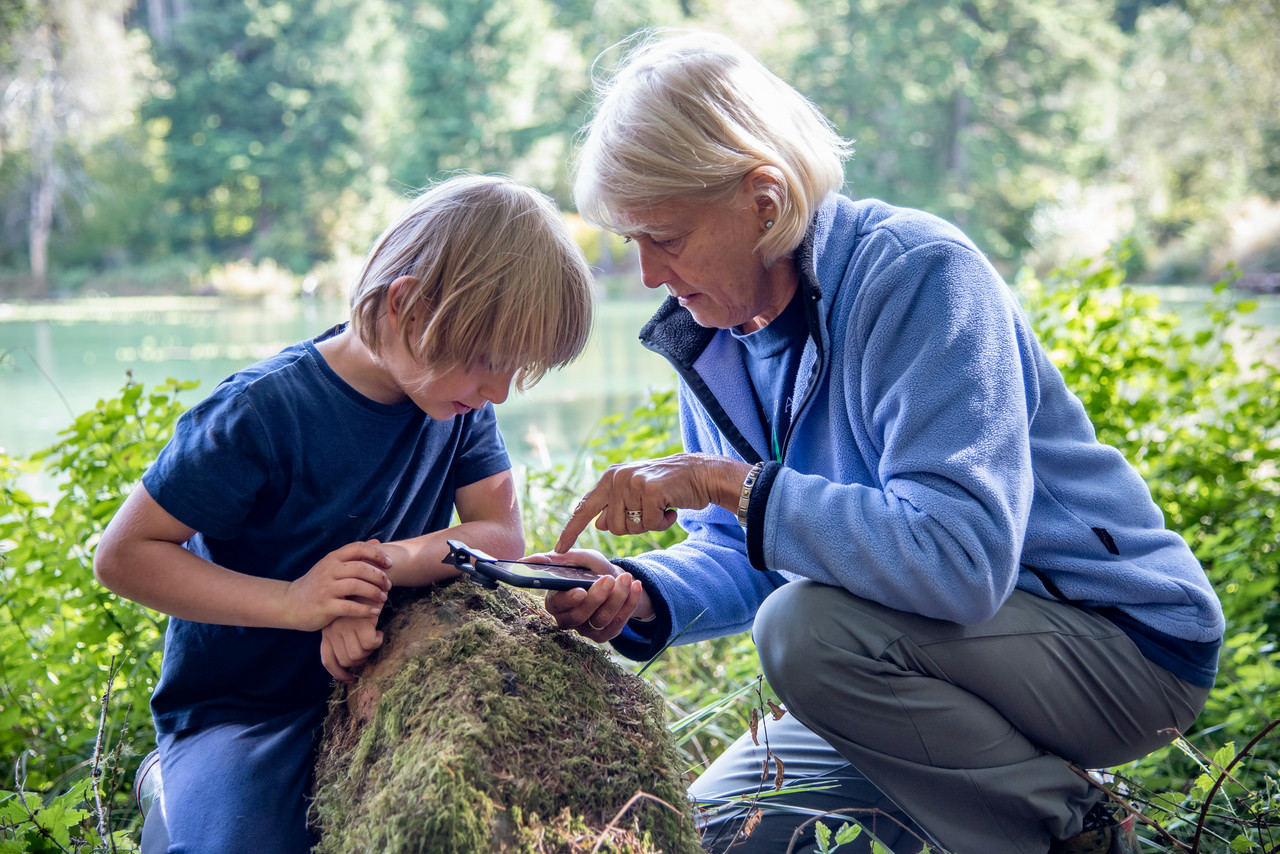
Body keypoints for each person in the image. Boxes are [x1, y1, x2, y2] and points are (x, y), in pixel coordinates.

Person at [538, 30, 1224, 854]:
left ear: (764, 199)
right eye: (631, 242)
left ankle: (1076, 833)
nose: (648, 274)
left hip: (1119, 646)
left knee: (802, 632)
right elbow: (753, 547)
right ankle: (1006, 798)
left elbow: (961, 561)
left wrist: (728, 482)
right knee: (716, 836)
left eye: (667, 237)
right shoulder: (714, 328)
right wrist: (640, 591)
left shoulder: (920, 277)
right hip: (923, 657)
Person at [93, 174, 595, 854]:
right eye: (487, 360)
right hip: (245, 712)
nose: (500, 391)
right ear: (406, 306)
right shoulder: (260, 412)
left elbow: (499, 534)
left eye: (518, 368)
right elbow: (124, 555)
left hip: (379, 682)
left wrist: (375, 569)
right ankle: (173, 784)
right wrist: (297, 603)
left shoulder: (457, 402)